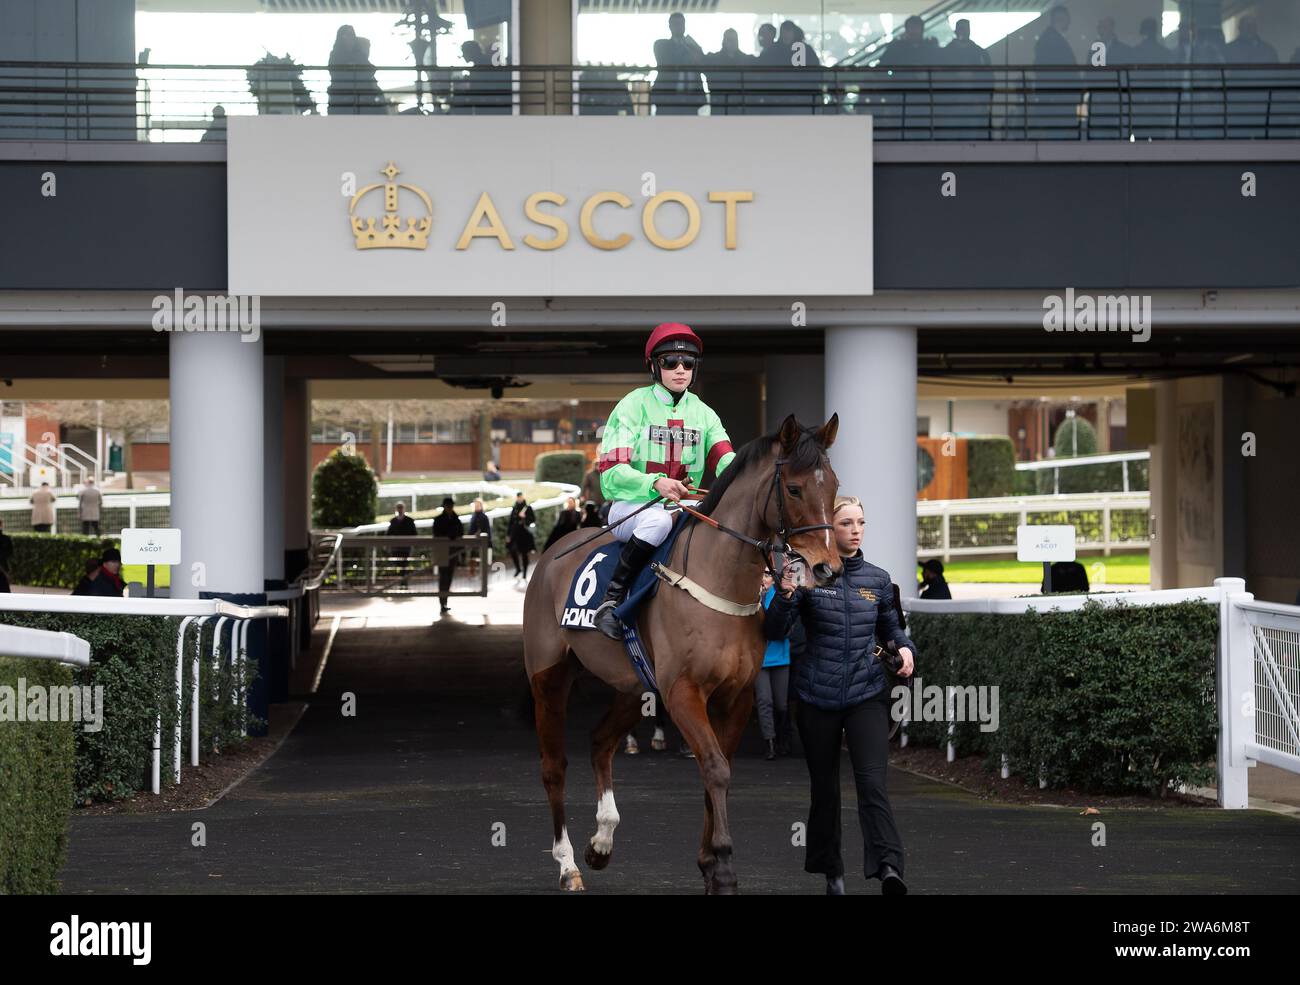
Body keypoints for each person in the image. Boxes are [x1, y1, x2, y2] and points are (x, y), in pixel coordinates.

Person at [766, 495, 916, 895]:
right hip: (817, 696)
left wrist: (905, 650)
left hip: (867, 692)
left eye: (860, 522)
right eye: (847, 523)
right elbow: (775, 630)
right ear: (830, 527)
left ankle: (888, 867)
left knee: (873, 784)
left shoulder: (879, 580)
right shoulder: (808, 574)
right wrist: (783, 595)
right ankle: (831, 870)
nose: (855, 530)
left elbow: (893, 629)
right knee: (826, 789)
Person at [591, 322, 736, 640]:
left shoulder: (704, 414)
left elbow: (727, 460)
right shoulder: (632, 405)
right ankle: (611, 602)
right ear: (654, 366)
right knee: (657, 521)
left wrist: (749, 479)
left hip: (686, 506)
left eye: (688, 363)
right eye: (670, 362)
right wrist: (655, 483)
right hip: (633, 507)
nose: (680, 369)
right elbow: (612, 472)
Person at [756, 572, 791, 760]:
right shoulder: (750, 597)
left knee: (781, 703)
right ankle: (769, 742)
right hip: (760, 659)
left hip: (781, 657)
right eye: (761, 575)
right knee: (764, 701)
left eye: (768, 575)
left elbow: (786, 623)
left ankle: (783, 739)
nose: (764, 579)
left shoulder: (781, 595)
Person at [651, 11, 707, 116]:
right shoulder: (661, 45)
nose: (679, 27)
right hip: (667, 99)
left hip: (691, 100)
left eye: (681, 24)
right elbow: (665, 61)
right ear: (670, 26)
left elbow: (703, 64)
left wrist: (695, 49)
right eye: (676, 24)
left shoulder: (692, 45)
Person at [431, 497, 462, 613]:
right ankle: (442, 602)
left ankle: (444, 601)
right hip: (443, 552)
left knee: (448, 577)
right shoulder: (440, 520)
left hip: (452, 552)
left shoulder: (455, 518)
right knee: (443, 577)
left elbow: (460, 532)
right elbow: (438, 534)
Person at [506, 492, 535, 582]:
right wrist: (508, 535)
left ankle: (525, 573)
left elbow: (533, 519)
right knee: (512, 550)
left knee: (524, 554)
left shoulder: (528, 508)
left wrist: (524, 517)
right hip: (515, 534)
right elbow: (511, 522)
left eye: (521, 497)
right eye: (518, 497)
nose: (519, 499)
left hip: (524, 534)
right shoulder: (514, 508)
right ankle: (518, 568)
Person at [387, 502, 417, 588]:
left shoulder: (409, 521)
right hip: (396, 548)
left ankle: (403, 582)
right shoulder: (393, 521)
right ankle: (403, 582)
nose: (400, 510)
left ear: (404, 509)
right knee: (400, 565)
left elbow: (414, 534)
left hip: (406, 548)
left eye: (401, 508)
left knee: (404, 565)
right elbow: (388, 534)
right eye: (398, 508)